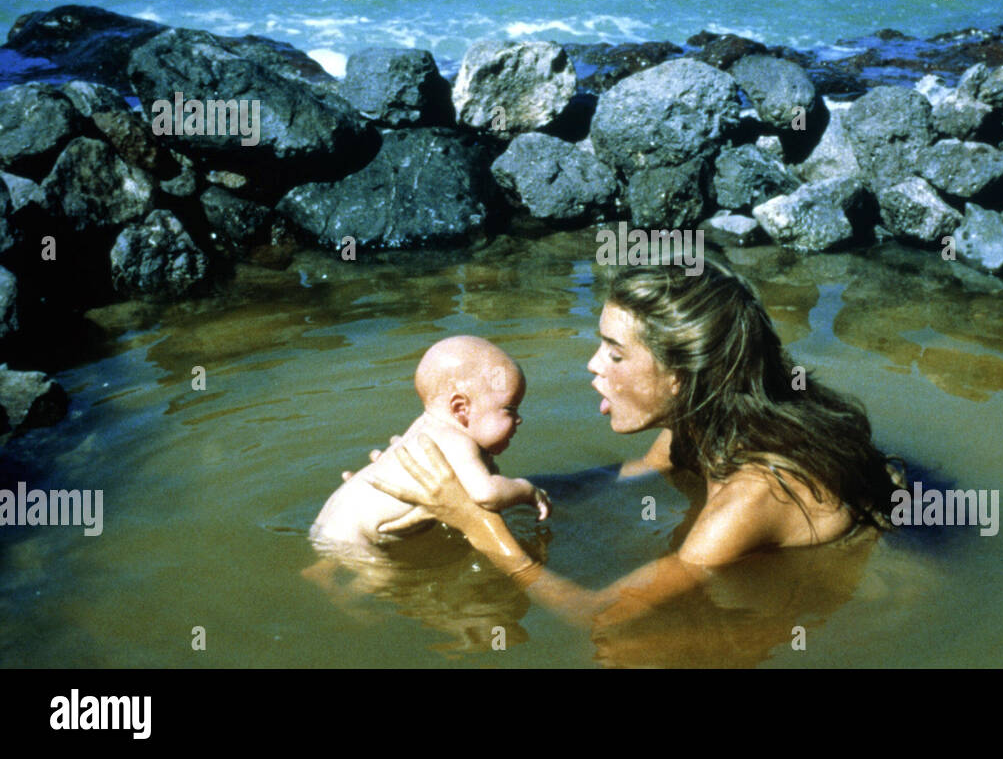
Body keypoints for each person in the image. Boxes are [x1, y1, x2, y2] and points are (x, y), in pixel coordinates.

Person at [361, 260, 901, 628]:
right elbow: (625, 478)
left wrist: (474, 522)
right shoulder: (702, 424)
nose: (594, 365)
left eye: (616, 355)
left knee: (618, 649)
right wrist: (451, 484)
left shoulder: (752, 497)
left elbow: (600, 613)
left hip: (886, 576)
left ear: (681, 378)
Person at [311, 334, 549, 552]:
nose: (519, 419)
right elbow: (486, 494)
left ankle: (321, 573)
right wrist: (527, 491)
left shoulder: (422, 429)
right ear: (460, 408)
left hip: (333, 520)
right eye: (510, 408)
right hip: (355, 538)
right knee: (391, 584)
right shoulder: (457, 442)